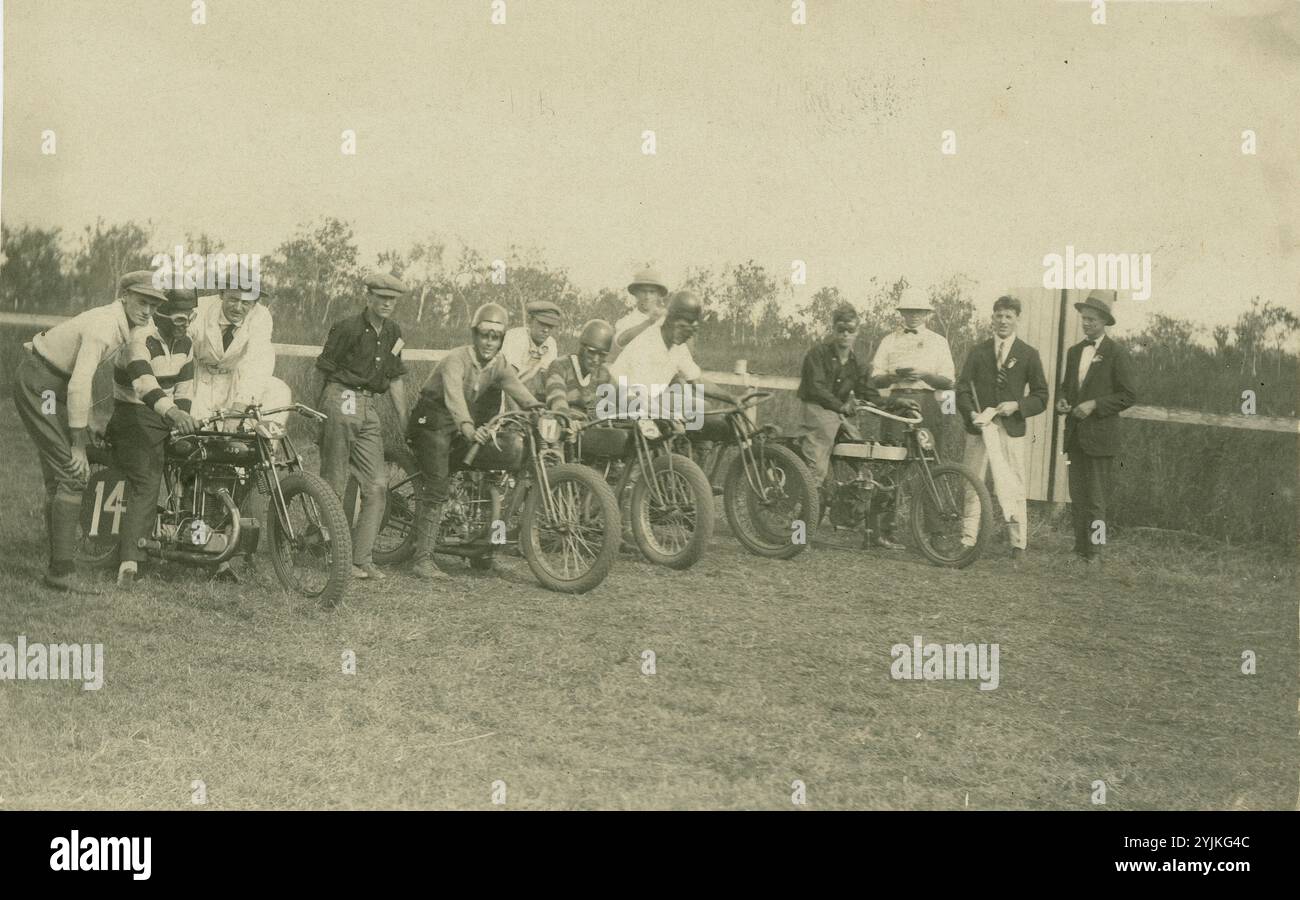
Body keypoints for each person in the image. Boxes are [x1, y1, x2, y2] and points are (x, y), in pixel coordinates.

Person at [13, 270, 166, 591]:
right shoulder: (104, 326)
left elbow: (79, 378)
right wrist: (79, 444)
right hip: (42, 389)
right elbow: (80, 383)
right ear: (123, 296)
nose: (148, 311)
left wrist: (92, 419)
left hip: (51, 389)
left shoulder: (122, 324)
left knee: (60, 477)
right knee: (72, 472)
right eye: (142, 302)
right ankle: (61, 571)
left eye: (153, 305)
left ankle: (59, 558)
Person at [405, 303, 542, 581]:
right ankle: (422, 558)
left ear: (502, 339)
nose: (489, 342)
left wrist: (541, 410)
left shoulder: (499, 364)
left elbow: (520, 391)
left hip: (461, 423)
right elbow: (454, 396)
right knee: (438, 483)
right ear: (474, 334)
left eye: (495, 336)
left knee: (499, 461)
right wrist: (469, 428)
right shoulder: (457, 358)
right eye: (484, 334)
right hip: (432, 420)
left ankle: (481, 547)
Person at [315, 272, 410, 581]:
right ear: (368, 297)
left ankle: (362, 558)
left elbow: (395, 378)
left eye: (392, 299)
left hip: (369, 405)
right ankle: (330, 552)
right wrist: (317, 414)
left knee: (377, 484)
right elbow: (324, 370)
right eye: (381, 297)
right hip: (342, 396)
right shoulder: (347, 328)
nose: (386, 303)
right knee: (336, 477)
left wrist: (404, 422)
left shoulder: (394, 332)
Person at [106, 287, 199, 586]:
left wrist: (180, 421)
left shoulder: (187, 344)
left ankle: (196, 542)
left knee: (202, 457)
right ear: (160, 314)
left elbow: (184, 388)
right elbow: (145, 385)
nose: (183, 323)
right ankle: (130, 561)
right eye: (178, 316)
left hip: (164, 413)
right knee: (148, 478)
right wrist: (175, 416)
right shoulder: (139, 339)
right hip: (132, 412)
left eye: (189, 317)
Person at [955, 295, 1049, 561]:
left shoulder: (1028, 354)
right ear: (992, 319)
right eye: (999, 316)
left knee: (1013, 485)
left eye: (1009, 316)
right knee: (972, 482)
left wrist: (1017, 406)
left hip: (1010, 429)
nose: (1003, 321)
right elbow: (961, 388)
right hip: (980, 429)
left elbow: (1041, 396)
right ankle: (968, 539)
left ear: (1017, 319)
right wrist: (971, 413)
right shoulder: (979, 351)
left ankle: (1018, 544)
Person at [1055, 292, 1137, 566]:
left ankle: (1096, 552)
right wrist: (1063, 401)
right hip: (1075, 436)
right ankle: (1080, 550)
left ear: (1104, 321)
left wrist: (1094, 405)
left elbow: (1128, 395)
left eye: (1091, 319)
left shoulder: (1117, 353)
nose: (1086, 323)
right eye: (1083, 318)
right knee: (1077, 496)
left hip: (1101, 439)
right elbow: (1067, 388)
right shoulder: (1074, 352)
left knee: (1097, 499)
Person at [189, 284, 291, 425]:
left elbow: (257, 363)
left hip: (234, 378)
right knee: (195, 433)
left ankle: (263, 443)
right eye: (233, 299)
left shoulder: (261, 316)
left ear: (254, 304)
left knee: (278, 389)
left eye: (245, 302)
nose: (237, 308)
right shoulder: (199, 309)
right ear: (222, 294)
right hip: (197, 377)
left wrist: (237, 412)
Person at [870, 289, 956, 457]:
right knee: (893, 454)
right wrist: (892, 377)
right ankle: (894, 484)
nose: (914, 315)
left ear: (926, 313)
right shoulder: (889, 340)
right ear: (902, 312)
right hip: (896, 402)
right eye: (909, 310)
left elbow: (948, 383)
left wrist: (925, 375)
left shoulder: (939, 342)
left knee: (928, 454)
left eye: (919, 310)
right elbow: (875, 380)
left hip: (927, 402)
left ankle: (928, 484)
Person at [545, 319, 615, 417]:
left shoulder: (604, 374)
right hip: (562, 423)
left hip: (590, 427)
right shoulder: (560, 365)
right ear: (581, 348)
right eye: (591, 352)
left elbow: (618, 400)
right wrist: (565, 417)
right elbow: (557, 397)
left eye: (602, 355)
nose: (596, 359)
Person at [499, 299, 561, 399]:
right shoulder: (515, 337)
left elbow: (546, 379)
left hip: (529, 394)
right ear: (530, 321)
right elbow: (509, 381)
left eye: (550, 326)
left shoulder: (551, 343)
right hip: (504, 391)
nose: (545, 330)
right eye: (542, 324)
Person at [614, 269, 669, 349]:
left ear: (658, 295)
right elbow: (621, 341)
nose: (647, 297)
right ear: (636, 293)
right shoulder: (625, 322)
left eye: (652, 292)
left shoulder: (666, 320)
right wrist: (649, 322)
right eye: (643, 292)